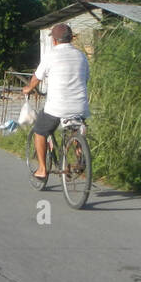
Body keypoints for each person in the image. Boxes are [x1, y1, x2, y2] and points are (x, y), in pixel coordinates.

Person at [21, 23, 89, 179]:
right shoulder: (81, 56)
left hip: (57, 107)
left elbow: (37, 78)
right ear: (71, 38)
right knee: (75, 128)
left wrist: (28, 89)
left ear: (55, 41)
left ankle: (42, 169)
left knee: (39, 130)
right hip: (80, 105)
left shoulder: (51, 55)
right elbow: (85, 79)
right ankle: (80, 156)